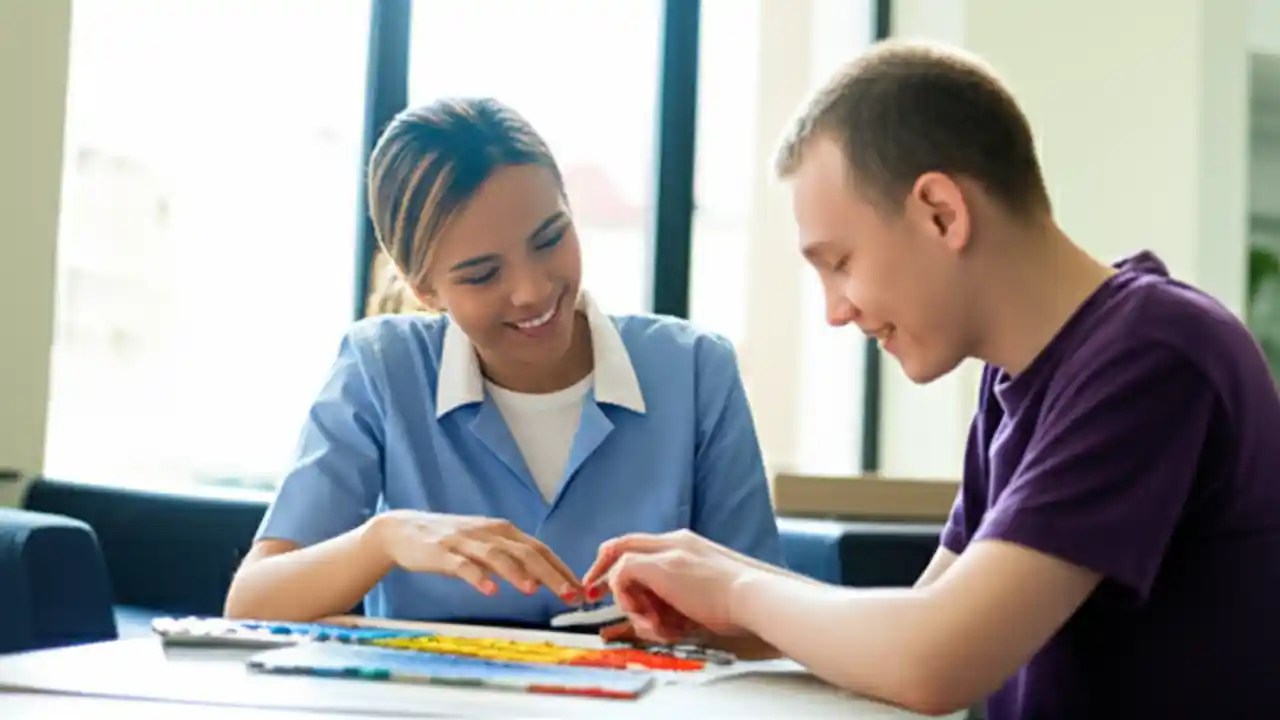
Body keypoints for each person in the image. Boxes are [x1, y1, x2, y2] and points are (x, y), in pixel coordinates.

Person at [581, 39, 1280, 719]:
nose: (835, 310)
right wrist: (716, 584)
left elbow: (935, 660)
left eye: (841, 262)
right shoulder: (1021, 379)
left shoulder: (1156, 353)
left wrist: (733, 589)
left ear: (941, 213)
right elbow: (919, 620)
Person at [223, 97, 783, 627]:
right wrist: (385, 537)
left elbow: (766, 621)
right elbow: (250, 604)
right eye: (483, 275)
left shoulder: (694, 371)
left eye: (550, 239)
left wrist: (696, 624)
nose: (532, 291)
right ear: (424, 290)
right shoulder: (381, 370)